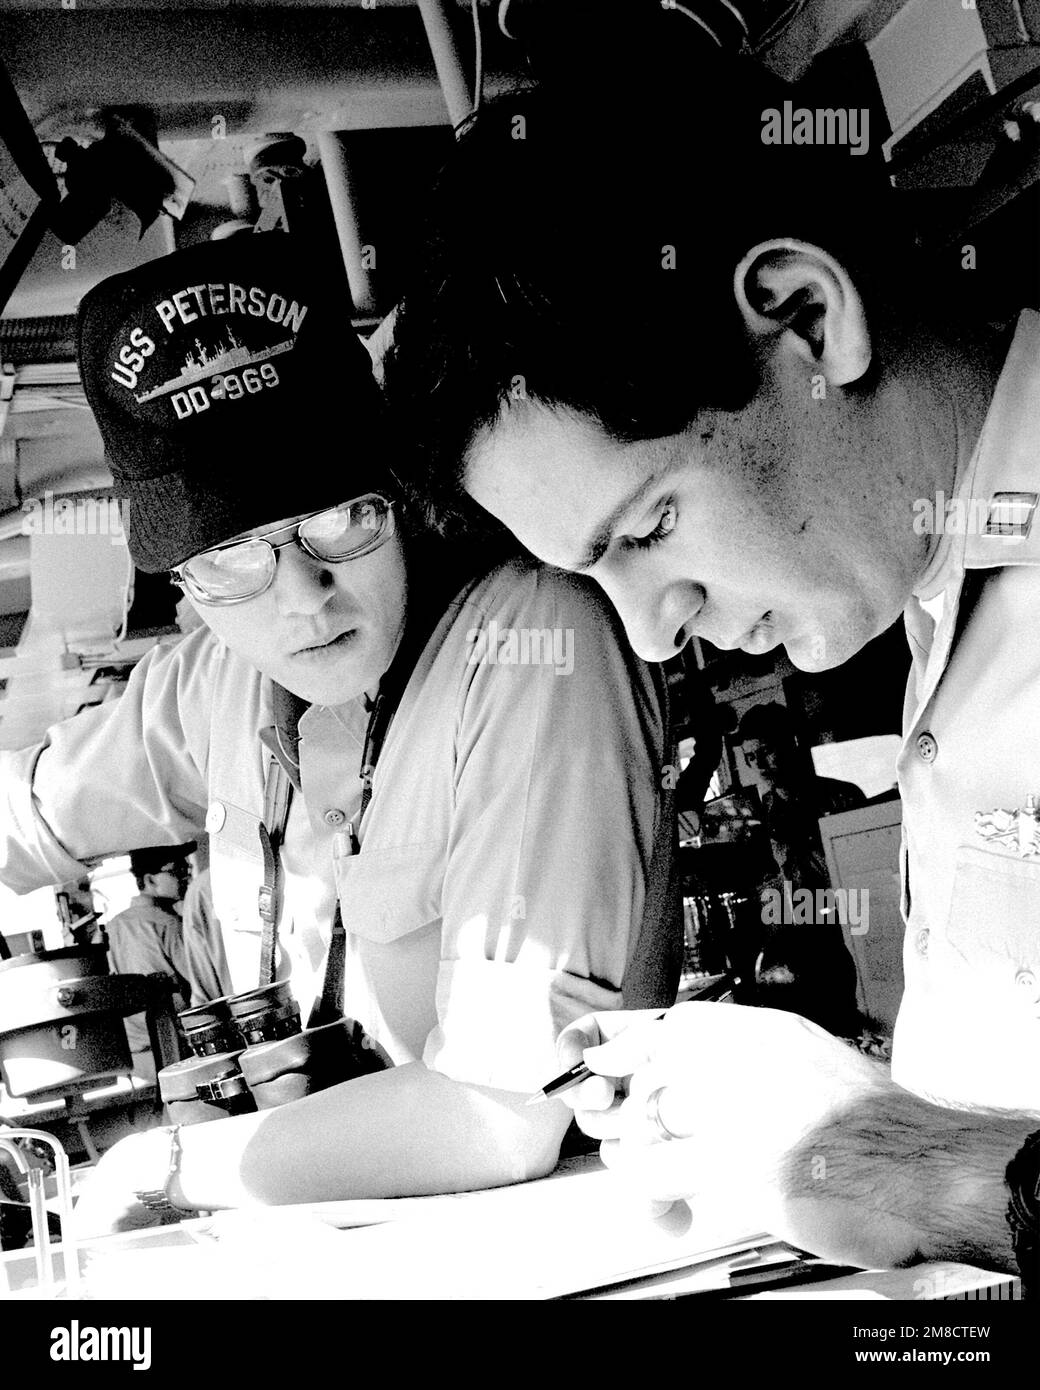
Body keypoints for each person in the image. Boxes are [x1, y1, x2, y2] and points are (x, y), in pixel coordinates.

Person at [382, 30, 1040, 1281]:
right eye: (596, 576)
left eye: (647, 529)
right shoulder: (934, 598)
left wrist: (871, 1152)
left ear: (802, 316)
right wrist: (802, 1100)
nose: (648, 629)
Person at [0, 233, 675, 1231]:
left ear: (398, 495)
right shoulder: (209, 682)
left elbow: (498, 1115)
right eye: (231, 558)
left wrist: (166, 1166)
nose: (303, 601)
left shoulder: (536, 643)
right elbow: (23, 819)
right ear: (180, 577)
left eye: (338, 520)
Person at [105, 844, 195, 1079]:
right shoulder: (169, 925)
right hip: (177, 1046)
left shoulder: (113, 927)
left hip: (135, 1055)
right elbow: (199, 986)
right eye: (178, 870)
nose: (187, 876)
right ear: (150, 880)